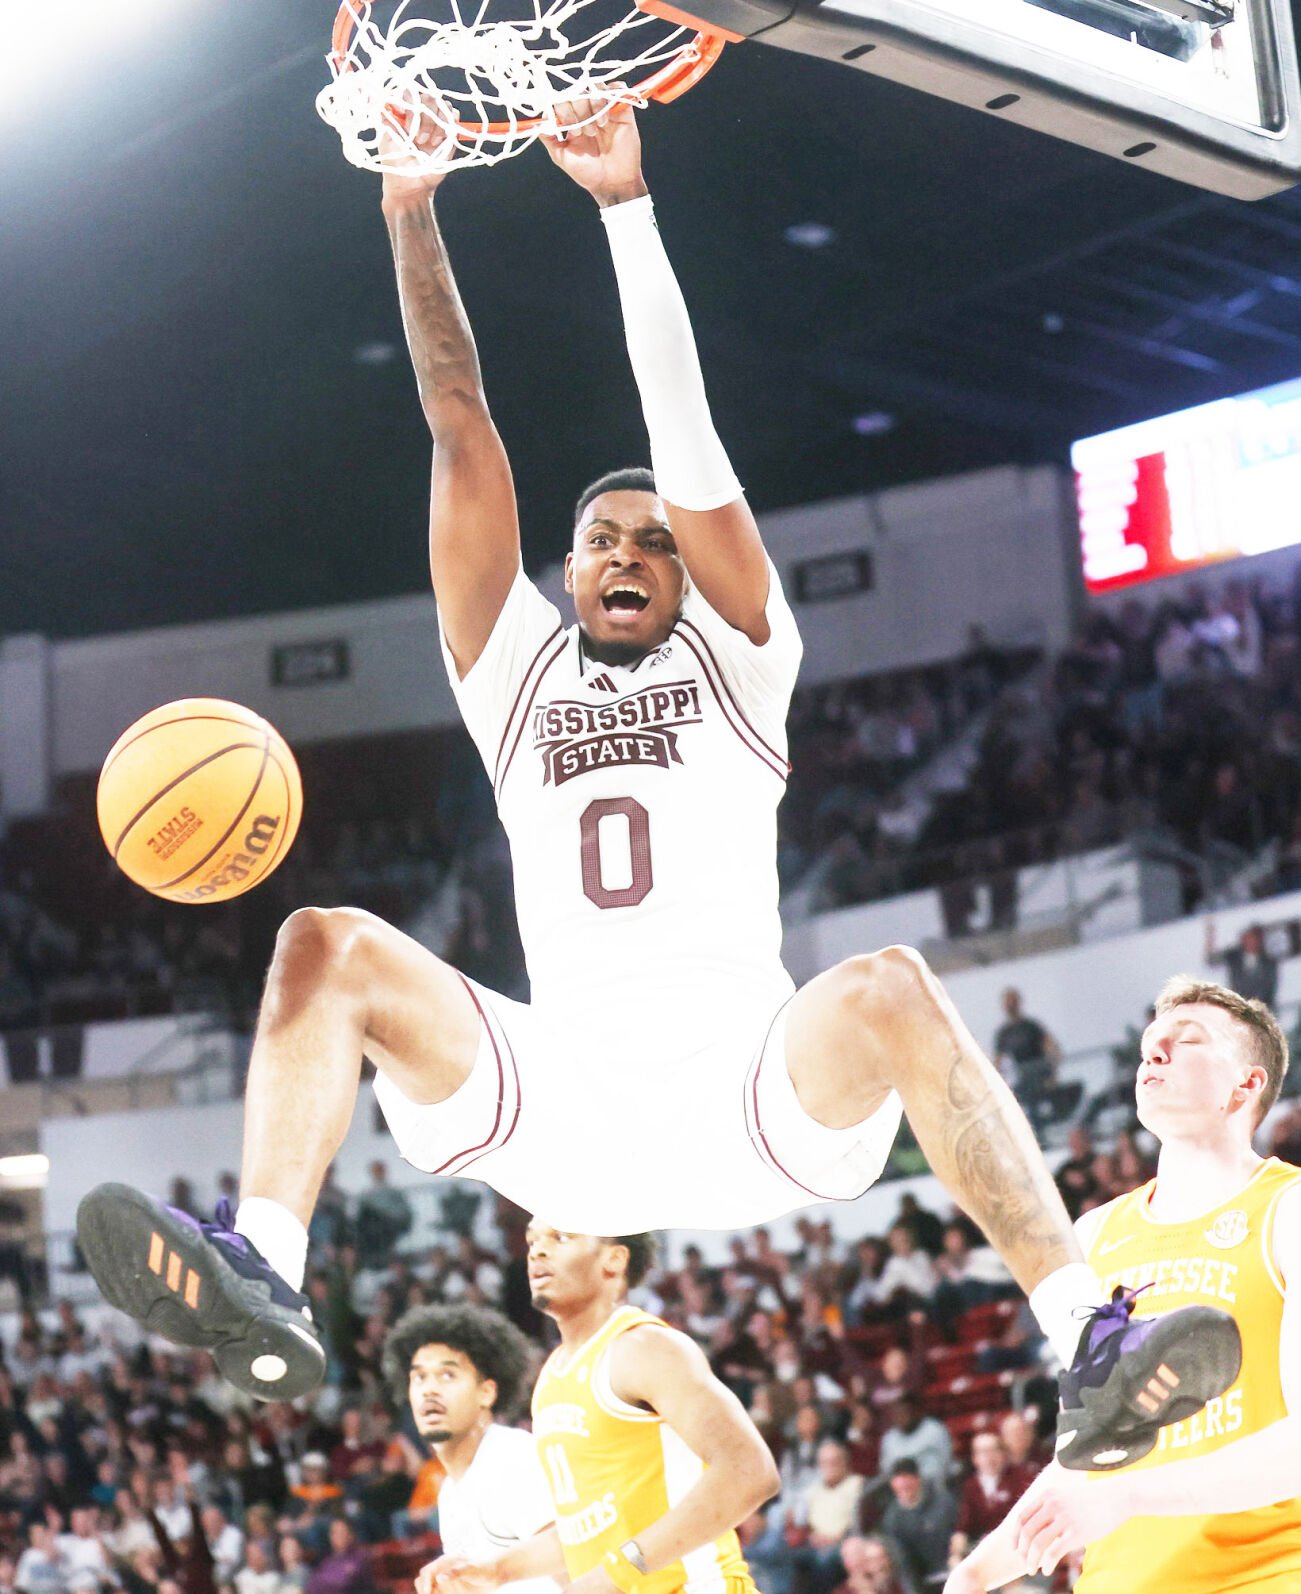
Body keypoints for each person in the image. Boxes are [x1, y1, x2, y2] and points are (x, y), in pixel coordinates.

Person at [75, 104, 1236, 1481]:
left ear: (684, 573)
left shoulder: (747, 659)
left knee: (887, 986)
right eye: (597, 539)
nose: (626, 550)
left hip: (753, 1094)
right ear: (567, 572)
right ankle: (262, 1266)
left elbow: (687, 445)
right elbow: (459, 423)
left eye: (650, 542)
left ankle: (1082, 1341)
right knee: (322, 942)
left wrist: (627, 211)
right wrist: (406, 203)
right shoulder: (510, 675)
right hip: (563, 1108)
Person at [947, 976, 1301, 1592]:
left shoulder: (1288, 1211)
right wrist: (978, 1572)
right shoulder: (1095, 1234)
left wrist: (1132, 1496)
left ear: (1246, 1085)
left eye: (1185, 1041)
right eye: (1149, 1043)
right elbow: (1092, 1444)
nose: (1154, 1052)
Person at [422, 1222, 779, 1594]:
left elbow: (749, 1471)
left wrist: (617, 1574)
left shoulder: (644, 1346)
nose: (537, 1251)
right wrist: (498, 1569)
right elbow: (585, 1530)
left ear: (613, 1260)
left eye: (560, 1237)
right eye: (532, 1240)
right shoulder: (551, 1377)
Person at [381, 1303, 555, 1593]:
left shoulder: (510, 1456)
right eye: (419, 1377)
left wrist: (497, 1572)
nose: (429, 1389)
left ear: (486, 1392)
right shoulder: (451, 1490)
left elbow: (576, 1552)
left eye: (447, 1375)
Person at [992, 990, 1060, 1132]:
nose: (1010, 1007)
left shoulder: (1031, 1026)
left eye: (1012, 1002)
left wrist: (1053, 1071)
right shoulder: (1004, 1032)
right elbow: (997, 1059)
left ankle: (1040, 1131)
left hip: (1038, 1072)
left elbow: (1051, 1047)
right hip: (1022, 1076)